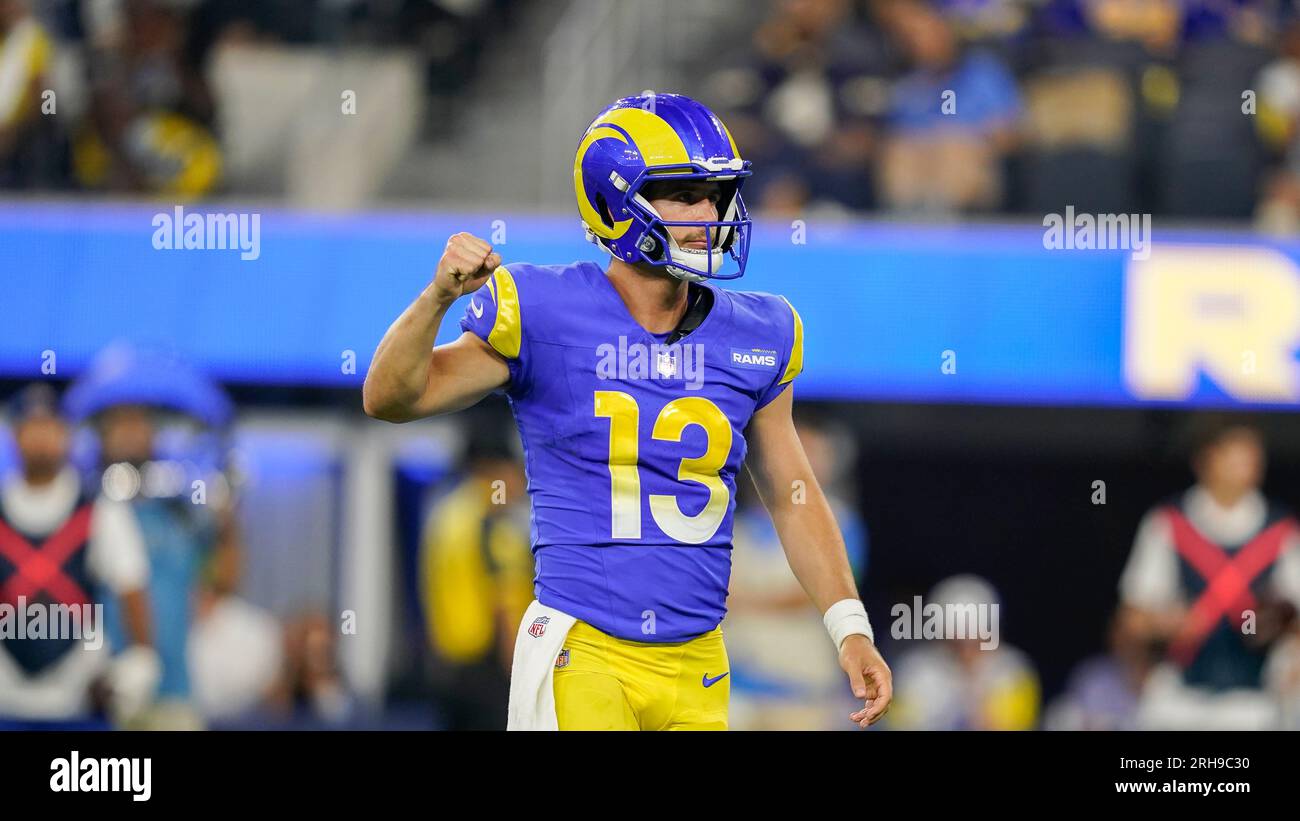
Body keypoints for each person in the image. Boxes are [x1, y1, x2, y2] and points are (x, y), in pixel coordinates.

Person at [364, 92, 890, 731]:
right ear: (616, 201)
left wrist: (849, 628)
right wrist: (435, 299)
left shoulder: (761, 331)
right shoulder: (543, 309)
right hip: (582, 647)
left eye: (713, 194)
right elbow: (390, 398)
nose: (706, 214)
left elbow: (793, 495)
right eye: (682, 193)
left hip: (700, 660)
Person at [1118, 418, 1300, 730]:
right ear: (1205, 460)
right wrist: (1164, 623)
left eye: (1252, 455)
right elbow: (1129, 620)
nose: (1246, 465)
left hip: (1254, 703)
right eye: (1234, 454)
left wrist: (1279, 629)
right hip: (1176, 698)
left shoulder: (1281, 531)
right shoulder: (1168, 523)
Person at [0, 385, 160, 729]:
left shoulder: (100, 510)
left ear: (66, 436)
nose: (42, 439)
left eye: (51, 428)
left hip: (78, 698)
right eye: (32, 428)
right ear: (15, 436)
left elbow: (131, 582)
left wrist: (141, 657)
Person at [418, 406, 532, 730]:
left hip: (446, 670)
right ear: (494, 471)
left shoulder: (443, 514)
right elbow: (505, 601)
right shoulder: (493, 523)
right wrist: (520, 677)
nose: (520, 485)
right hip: (489, 673)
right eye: (515, 473)